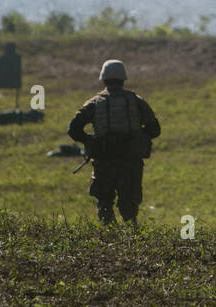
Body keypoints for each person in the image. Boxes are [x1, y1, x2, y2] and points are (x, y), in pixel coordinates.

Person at [67, 60, 160, 226]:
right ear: (124, 78)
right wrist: (136, 137)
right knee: (130, 205)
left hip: (104, 161)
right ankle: (134, 239)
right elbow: (155, 130)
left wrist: (91, 140)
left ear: (103, 79)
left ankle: (109, 239)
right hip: (130, 162)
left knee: (104, 204)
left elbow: (73, 129)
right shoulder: (137, 101)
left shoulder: (94, 103)